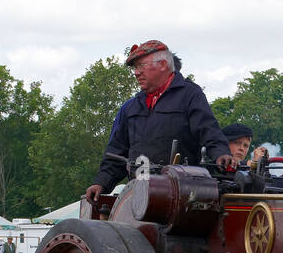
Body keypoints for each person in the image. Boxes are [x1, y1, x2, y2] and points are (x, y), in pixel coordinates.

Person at [91, 40, 235, 193]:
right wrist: (101, 183)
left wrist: (221, 154)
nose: (136, 72)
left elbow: (209, 131)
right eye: (135, 68)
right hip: (138, 194)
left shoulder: (190, 95)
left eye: (141, 66)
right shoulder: (130, 107)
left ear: (163, 64)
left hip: (182, 193)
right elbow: (116, 153)